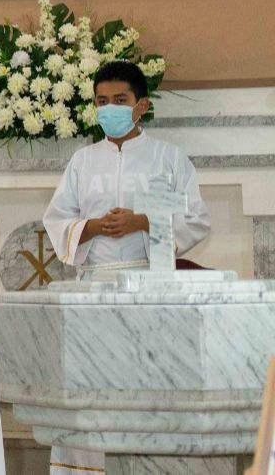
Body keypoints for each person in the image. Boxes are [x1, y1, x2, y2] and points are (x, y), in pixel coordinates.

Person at [42, 61, 210, 475]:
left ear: (142, 105)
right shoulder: (82, 162)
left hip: (149, 287)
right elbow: (57, 220)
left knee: (150, 389)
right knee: (88, 393)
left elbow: (197, 220)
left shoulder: (169, 159)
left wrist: (143, 221)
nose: (109, 108)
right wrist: (93, 226)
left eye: (120, 100)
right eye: (102, 101)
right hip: (93, 291)